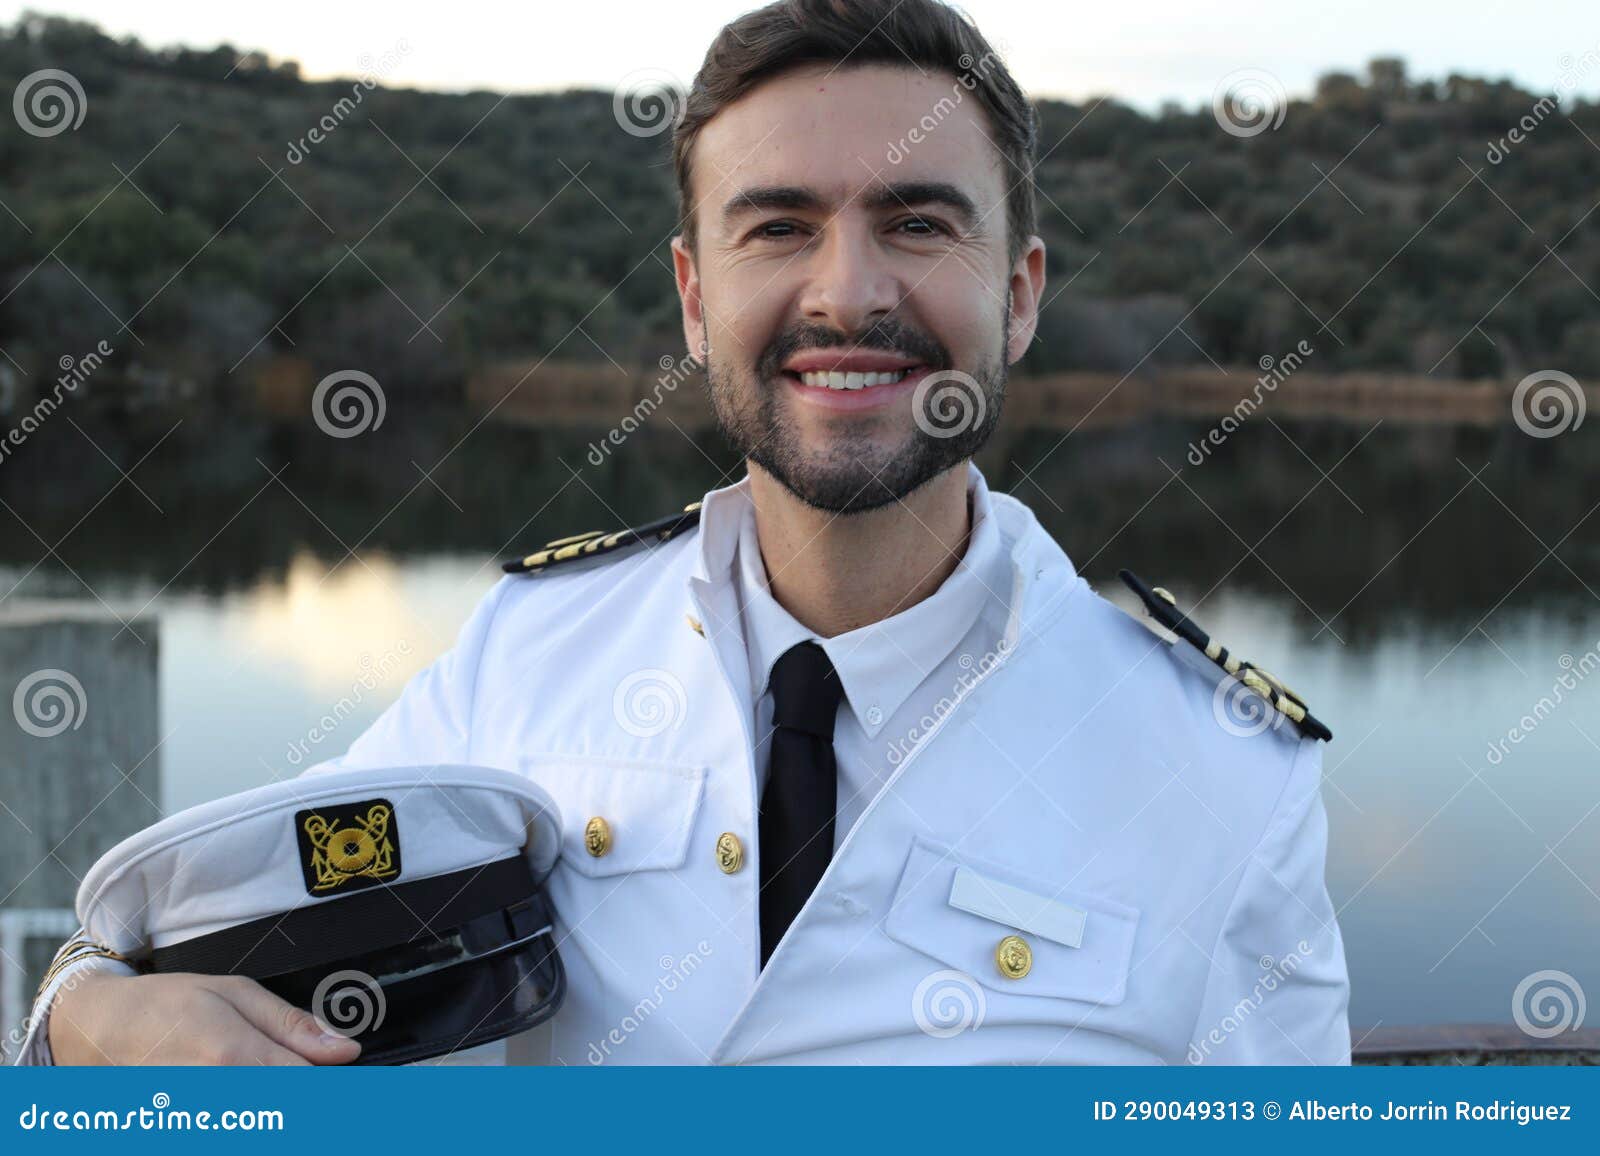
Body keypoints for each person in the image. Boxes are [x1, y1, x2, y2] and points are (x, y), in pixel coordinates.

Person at [24, 0, 1348, 1065]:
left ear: (1018, 296)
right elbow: (227, 910)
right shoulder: (528, 656)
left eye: (917, 224)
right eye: (779, 227)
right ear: (694, 297)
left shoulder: (1225, 774)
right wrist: (86, 1007)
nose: (848, 293)